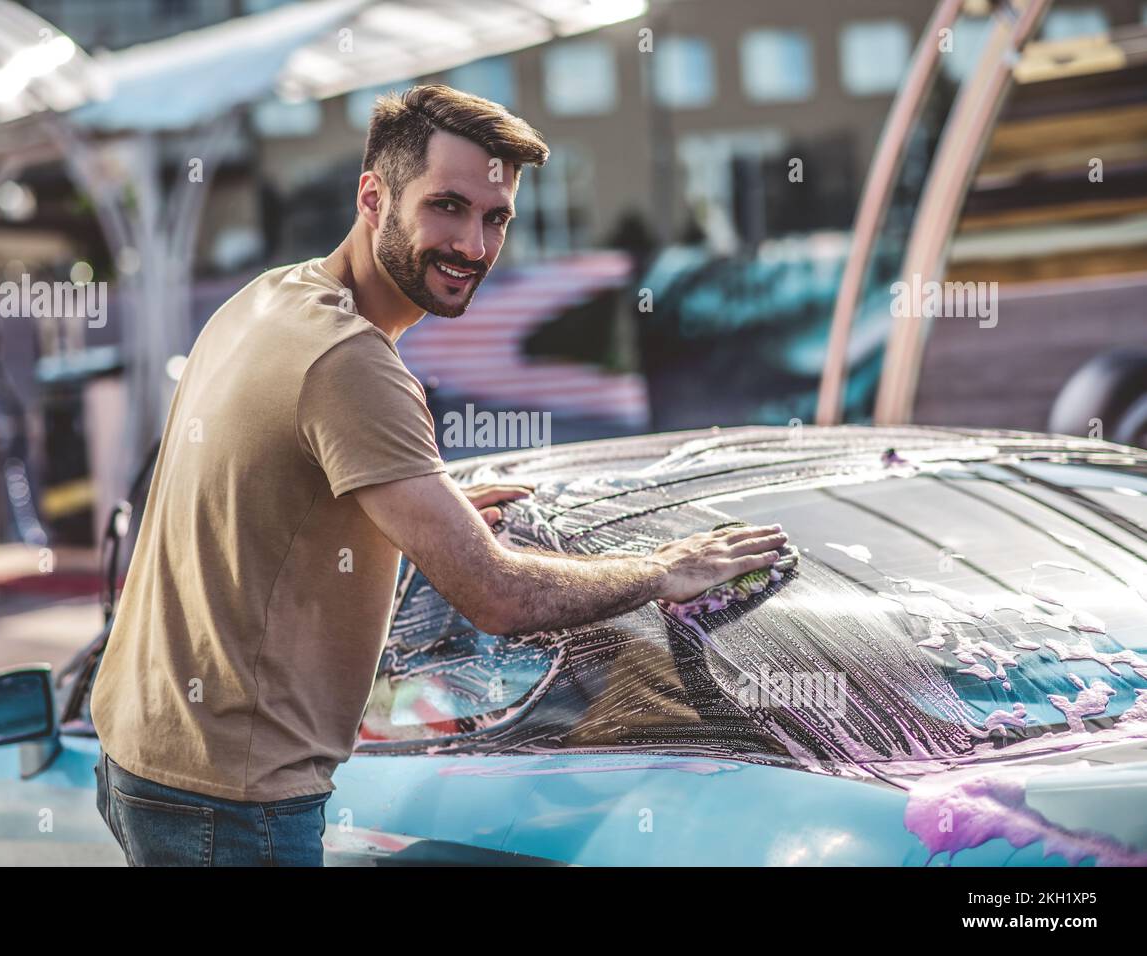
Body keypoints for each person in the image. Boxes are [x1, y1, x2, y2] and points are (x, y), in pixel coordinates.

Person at [90, 84, 788, 866]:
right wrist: (665, 569)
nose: (474, 245)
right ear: (373, 196)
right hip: (231, 799)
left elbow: (261, 500)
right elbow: (498, 597)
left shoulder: (269, 299)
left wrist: (422, 513)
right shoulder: (350, 363)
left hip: (140, 753)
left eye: (496, 219)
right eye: (447, 206)